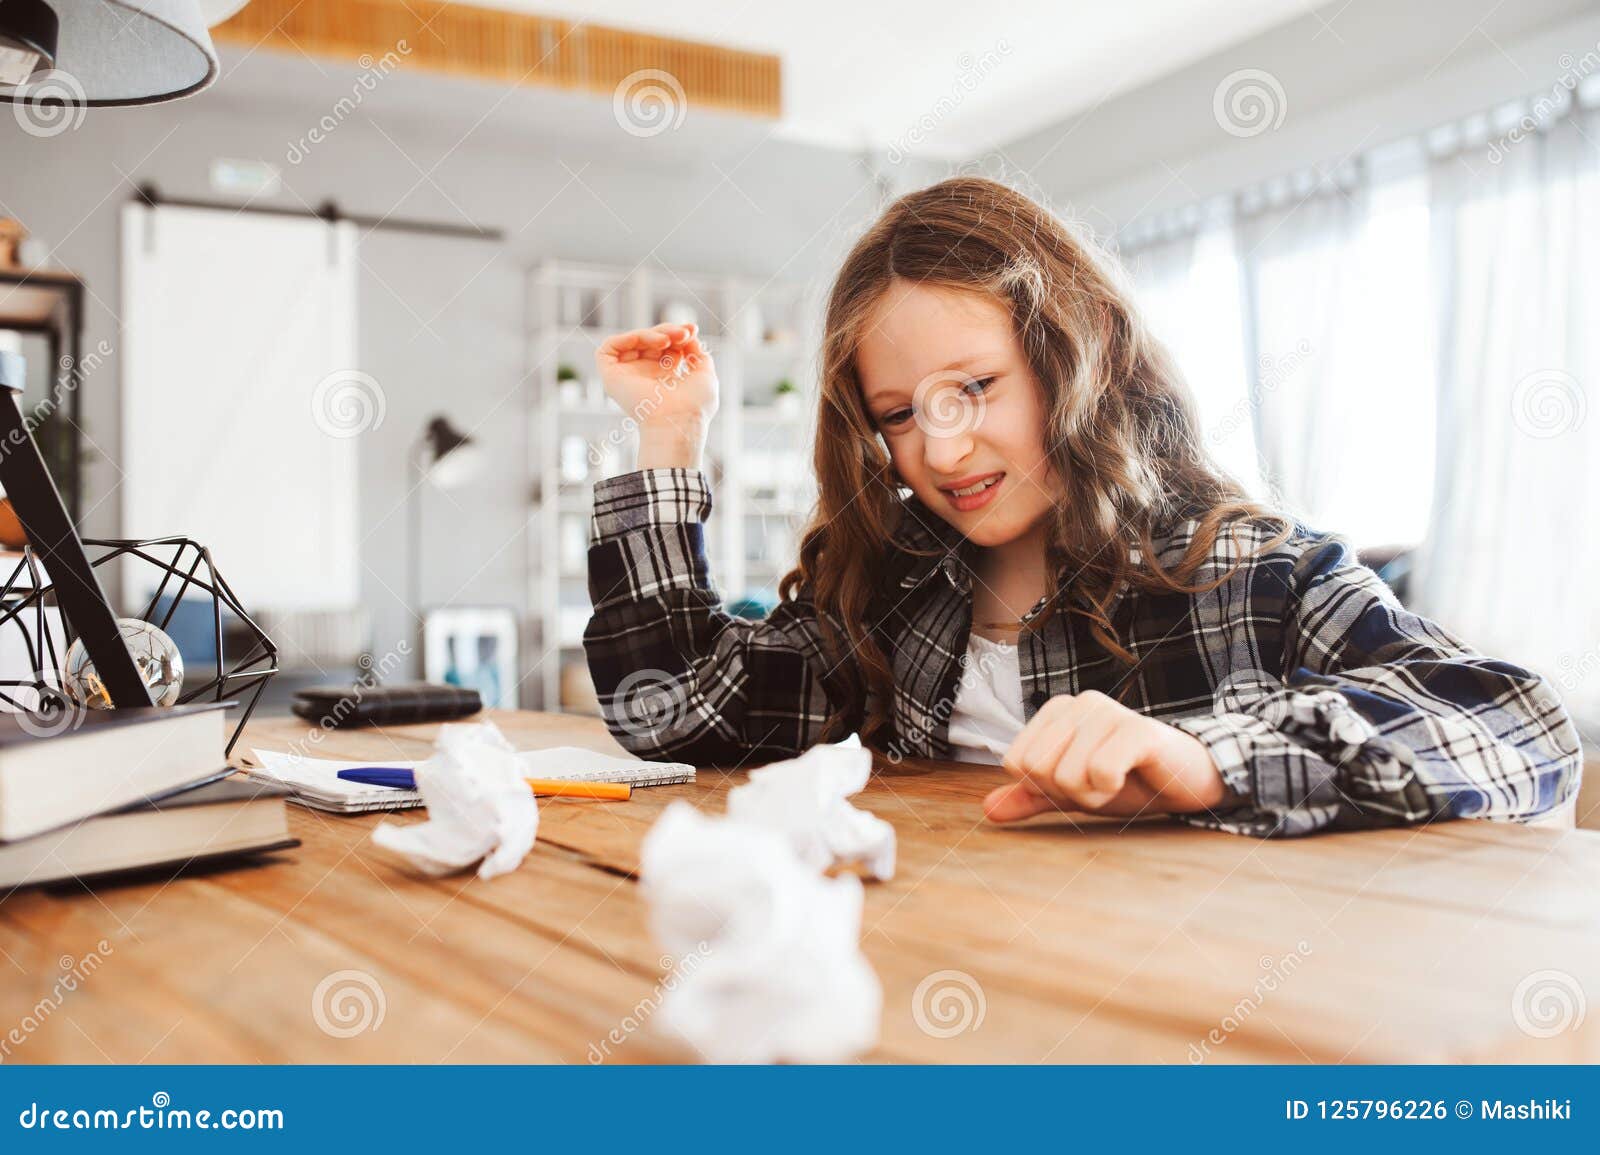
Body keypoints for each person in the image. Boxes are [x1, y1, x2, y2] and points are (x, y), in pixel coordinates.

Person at [583, 176, 1581, 838]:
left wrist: (1205, 761)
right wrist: (669, 437)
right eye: (897, 414)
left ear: (1082, 356)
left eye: (972, 390)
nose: (939, 448)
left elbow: (1517, 725)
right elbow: (670, 705)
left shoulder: (1253, 576)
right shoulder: (888, 599)